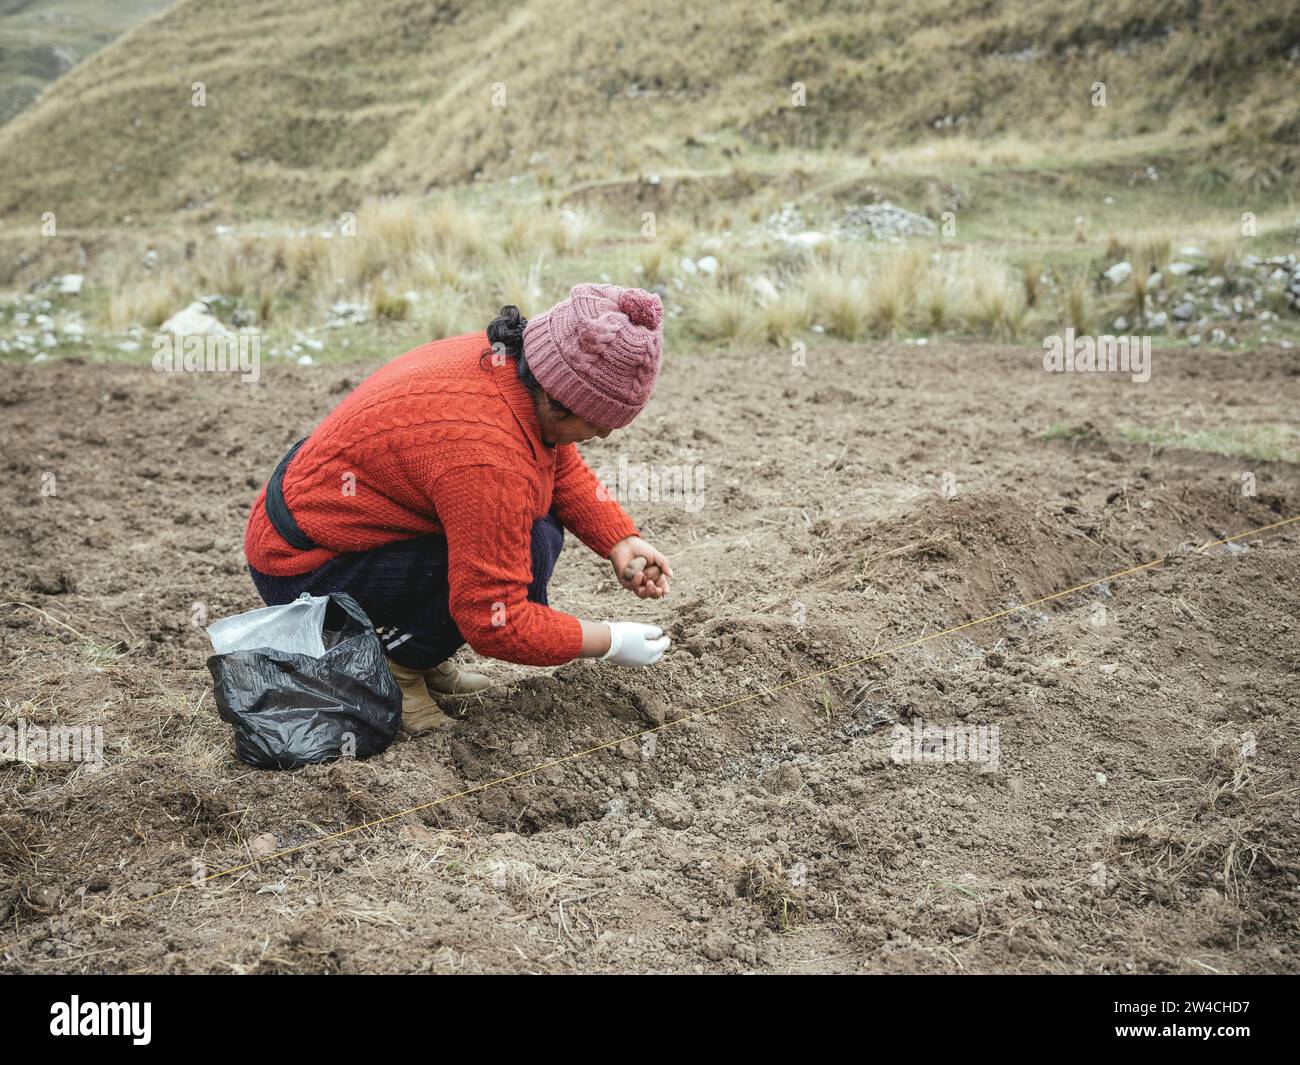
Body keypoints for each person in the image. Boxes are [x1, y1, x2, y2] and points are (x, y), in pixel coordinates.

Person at [243, 283, 673, 733]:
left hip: (320, 525)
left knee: (531, 525)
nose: (604, 435)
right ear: (558, 400)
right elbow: (496, 618)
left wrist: (619, 538)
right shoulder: (487, 457)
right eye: (600, 423)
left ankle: (421, 651)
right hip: (302, 567)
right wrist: (610, 641)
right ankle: (398, 668)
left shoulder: (506, 364)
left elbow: (552, 453)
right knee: (527, 547)